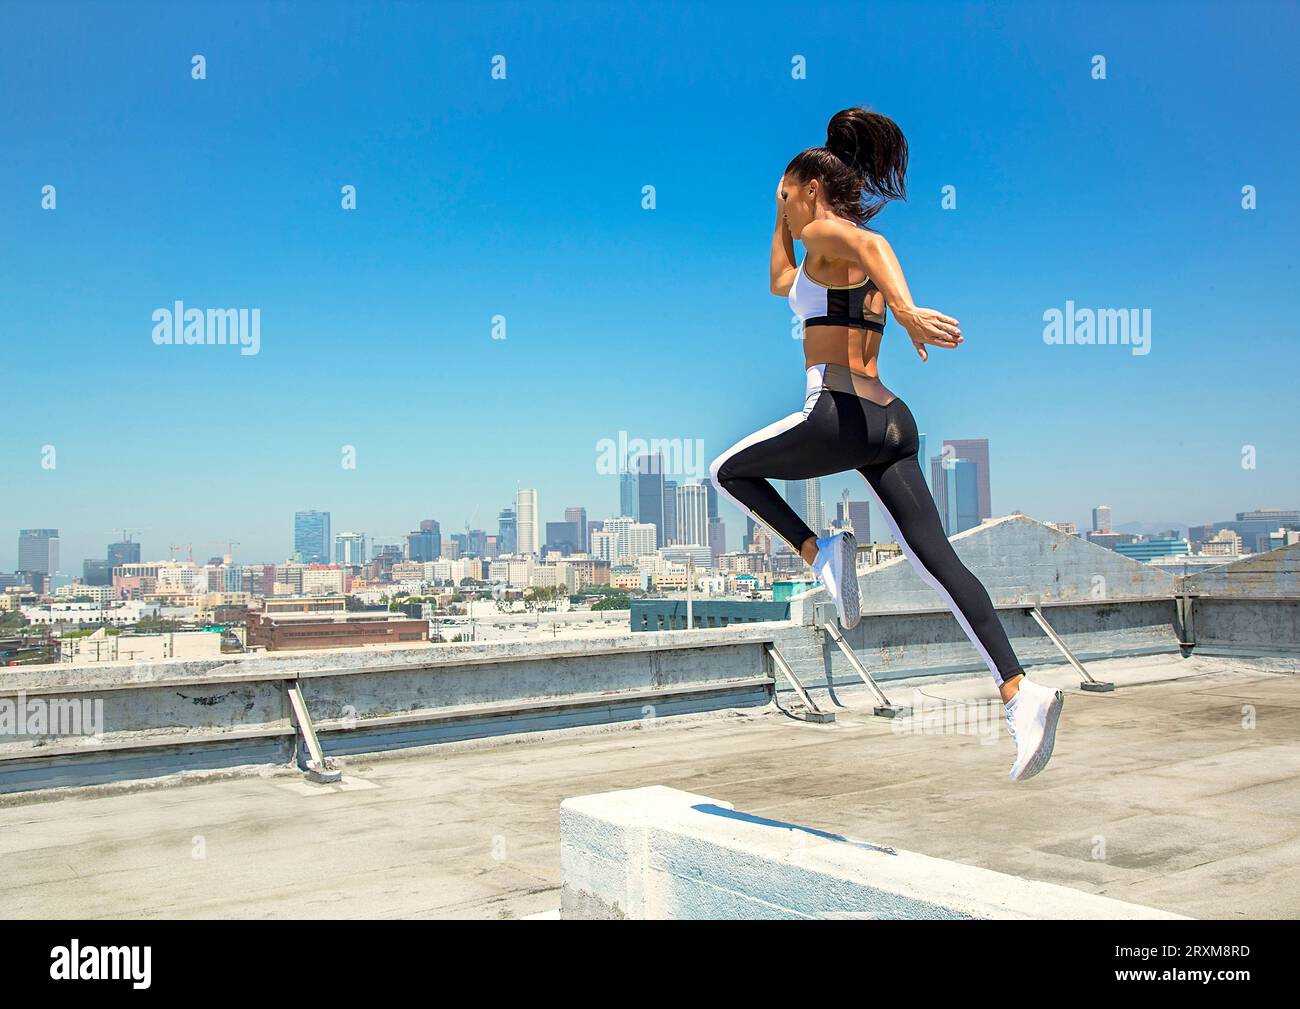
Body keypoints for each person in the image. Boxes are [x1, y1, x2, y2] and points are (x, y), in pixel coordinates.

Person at [708, 106, 1062, 781]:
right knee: (939, 563)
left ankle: (821, 552)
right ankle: (1020, 691)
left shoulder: (831, 234)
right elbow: (782, 281)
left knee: (726, 470)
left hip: (838, 413)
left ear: (812, 190)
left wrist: (906, 310)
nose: (787, 212)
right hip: (890, 422)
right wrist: (779, 213)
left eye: (787, 197)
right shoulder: (823, 252)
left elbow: (874, 248)